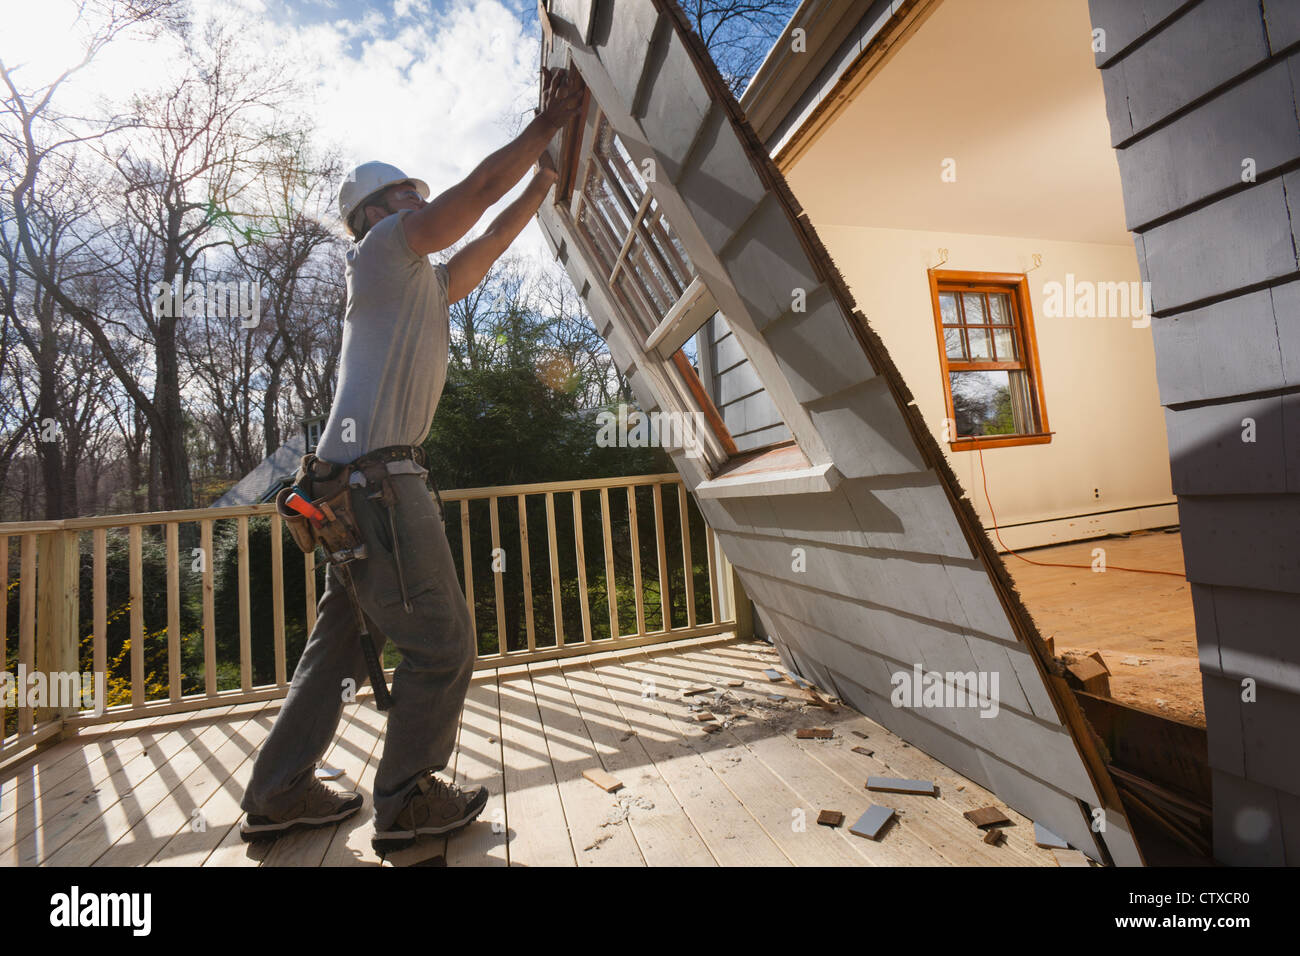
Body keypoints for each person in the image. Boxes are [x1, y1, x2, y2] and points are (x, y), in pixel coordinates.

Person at [239, 67, 584, 854]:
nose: (418, 205)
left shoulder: (417, 281)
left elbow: (489, 237)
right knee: (443, 642)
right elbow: (475, 194)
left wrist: (544, 180)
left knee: (335, 653)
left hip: (346, 486)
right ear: (372, 215)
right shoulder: (380, 252)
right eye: (406, 196)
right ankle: (407, 802)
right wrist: (542, 128)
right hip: (379, 484)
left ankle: (279, 792)